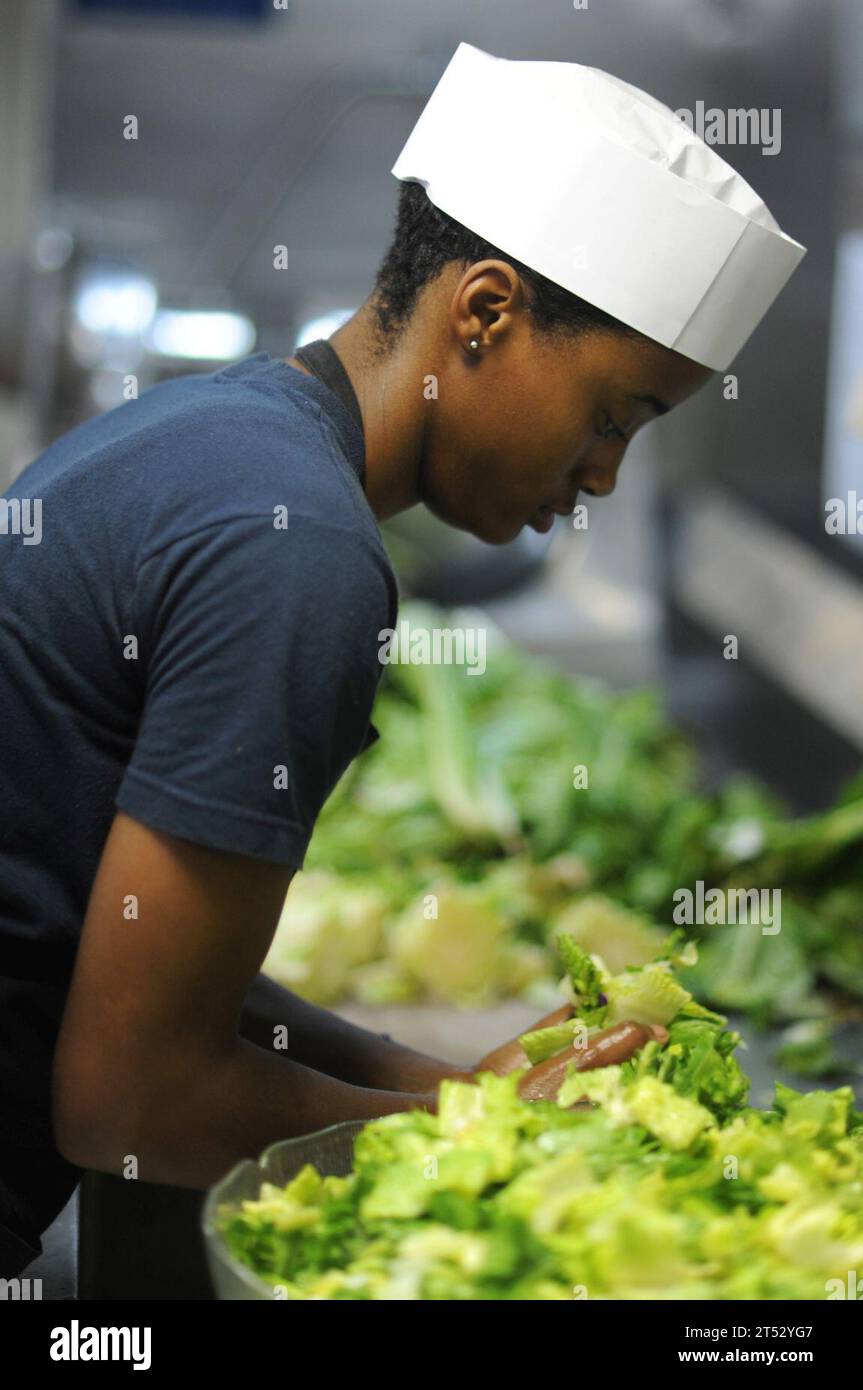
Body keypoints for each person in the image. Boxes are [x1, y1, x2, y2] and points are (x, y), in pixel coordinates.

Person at [0, 43, 804, 1277]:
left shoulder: (226, 436)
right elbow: (129, 1103)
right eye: (610, 417)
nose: (601, 478)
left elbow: (124, 960)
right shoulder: (300, 552)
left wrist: (433, 1081)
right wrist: (481, 1138)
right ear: (482, 312)